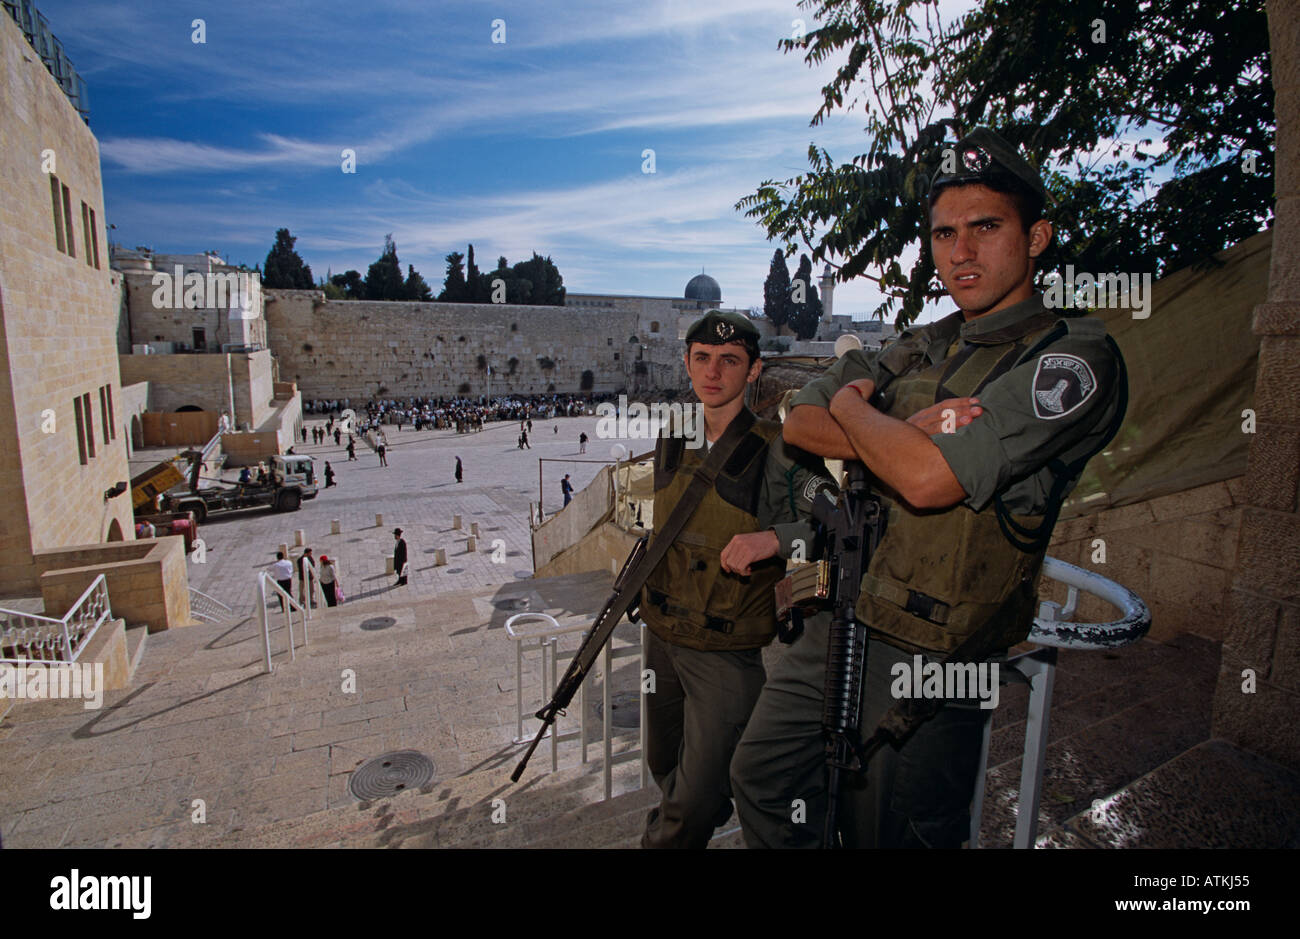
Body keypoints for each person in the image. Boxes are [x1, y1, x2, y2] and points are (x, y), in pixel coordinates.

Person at [730, 127, 1127, 849]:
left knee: (896, 829)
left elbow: (926, 477)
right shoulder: (926, 342)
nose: (961, 252)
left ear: (1036, 236)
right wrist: (902, 424)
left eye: (985, 227)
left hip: (936, 651)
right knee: (761, 775)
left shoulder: (1071, 356)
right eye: (944, 233)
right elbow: (797, 423)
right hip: (847, 605)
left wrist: (856, 406)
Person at [638, 310, 834, 849]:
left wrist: (773, 540)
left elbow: (837, 526)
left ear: (753, 371)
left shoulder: (782, 448)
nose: (713, 371)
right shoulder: (672, 438)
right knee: (664, 766)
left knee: (698, 795)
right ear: (687, 363)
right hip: (661, 639)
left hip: (724, 654)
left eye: (730, 361)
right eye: (702, 358)